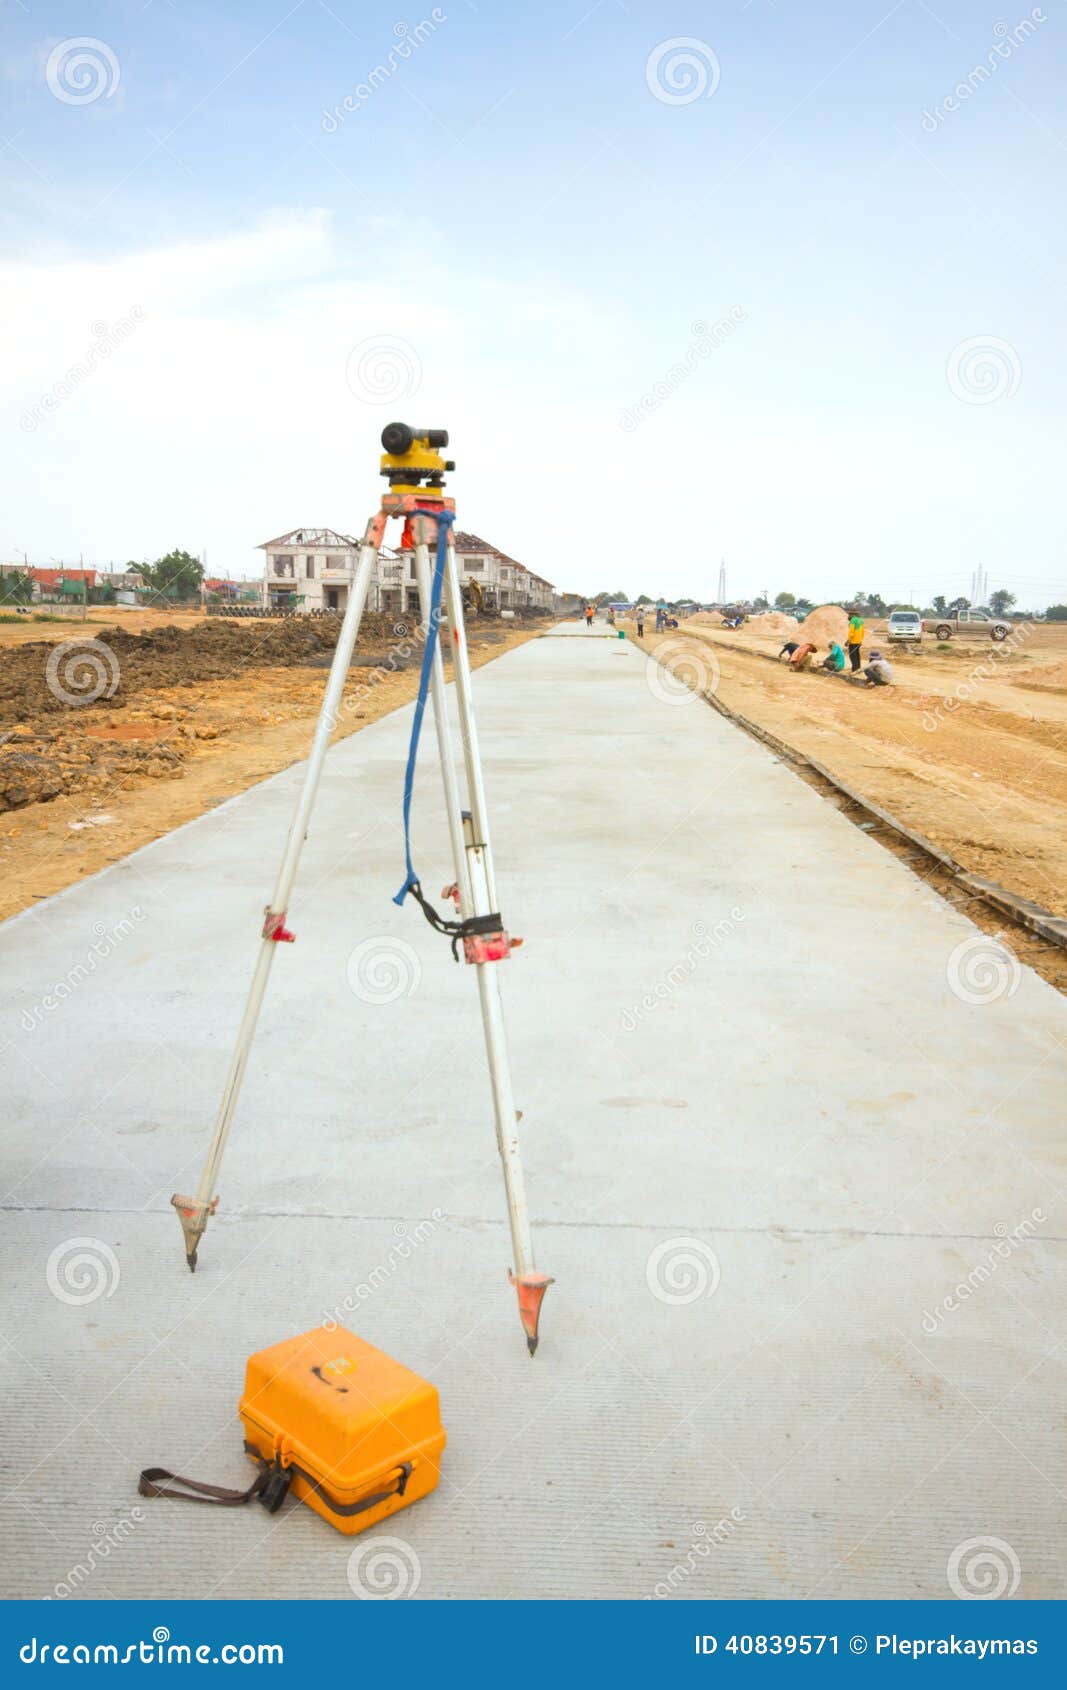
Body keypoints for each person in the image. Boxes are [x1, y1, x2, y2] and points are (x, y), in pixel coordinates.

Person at [847, 606, 865, 672]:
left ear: (852, 614)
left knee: (852, 656)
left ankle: (854, 669)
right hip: (859, 641)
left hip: (853, 641)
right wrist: (860, 640)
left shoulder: (853, 620)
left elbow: (851, 632)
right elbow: (863, 632)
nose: (848, 616)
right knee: (857, 655)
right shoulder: (861, 620)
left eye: (849, 614)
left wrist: (848, 641)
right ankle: (858, 668)